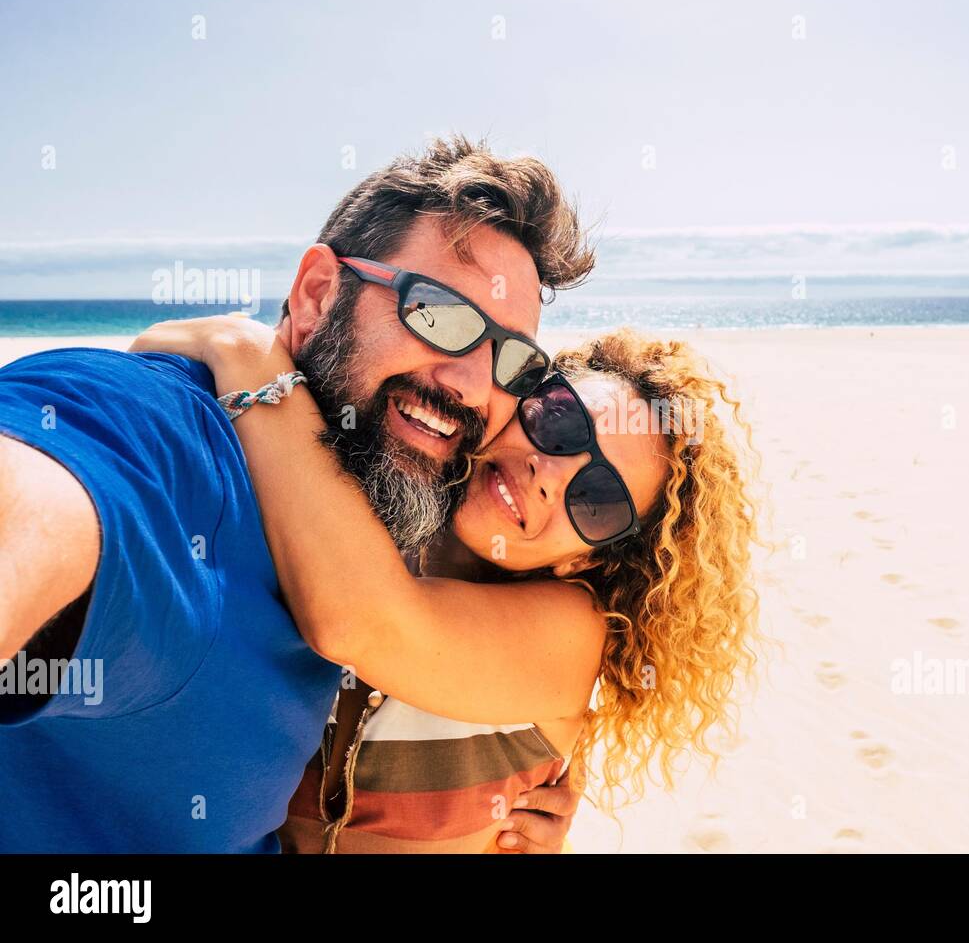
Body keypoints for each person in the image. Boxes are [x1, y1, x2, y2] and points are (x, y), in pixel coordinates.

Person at [0, 137, 591, 853]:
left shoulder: (401, 510)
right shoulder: (178, 444)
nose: (470, 385)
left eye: (511, 357)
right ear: (317, 294)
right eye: (437, 314)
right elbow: (43, 491)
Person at [130, 314, 763, 853]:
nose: (551, 474)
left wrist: (246, 354)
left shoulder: (572, 640)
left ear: (588, 560)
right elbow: (148, 349)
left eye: (597, 499)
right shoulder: (362, 512)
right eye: (562, 422)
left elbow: (361, 622)